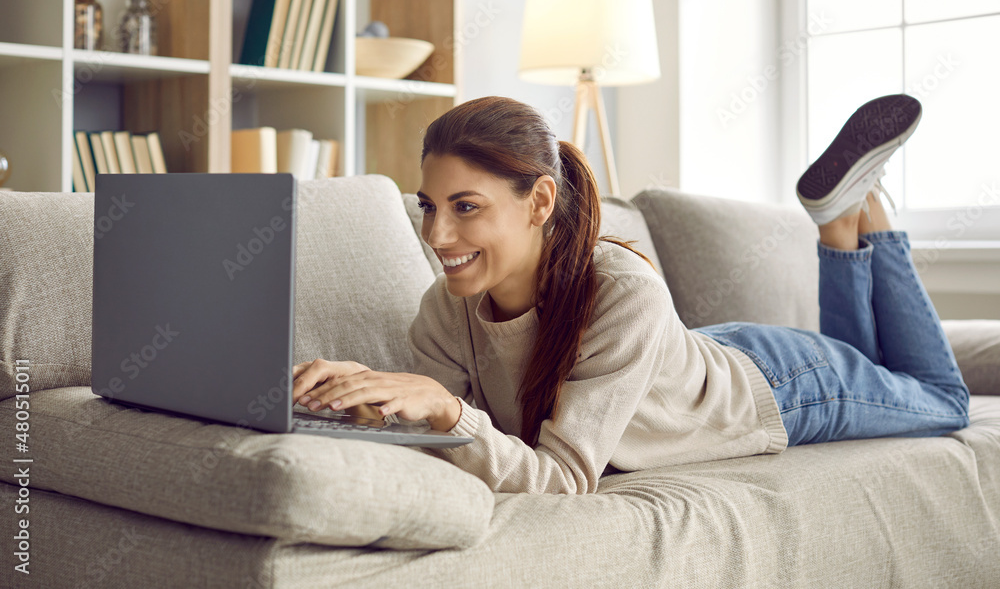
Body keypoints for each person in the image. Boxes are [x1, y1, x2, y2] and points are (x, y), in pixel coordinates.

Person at [291, 94, 970, 495]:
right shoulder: (446, 307)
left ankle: (865, 217)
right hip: (691, 360)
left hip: (783, 385)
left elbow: (559, 479)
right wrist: (369, 399)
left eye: (465, 207)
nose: (436, 234)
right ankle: (839, 223)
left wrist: (444, 409)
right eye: (428, 206)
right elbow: (450, 439)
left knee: (939, 397)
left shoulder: (619, 291)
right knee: (869, 358)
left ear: (540, 202)